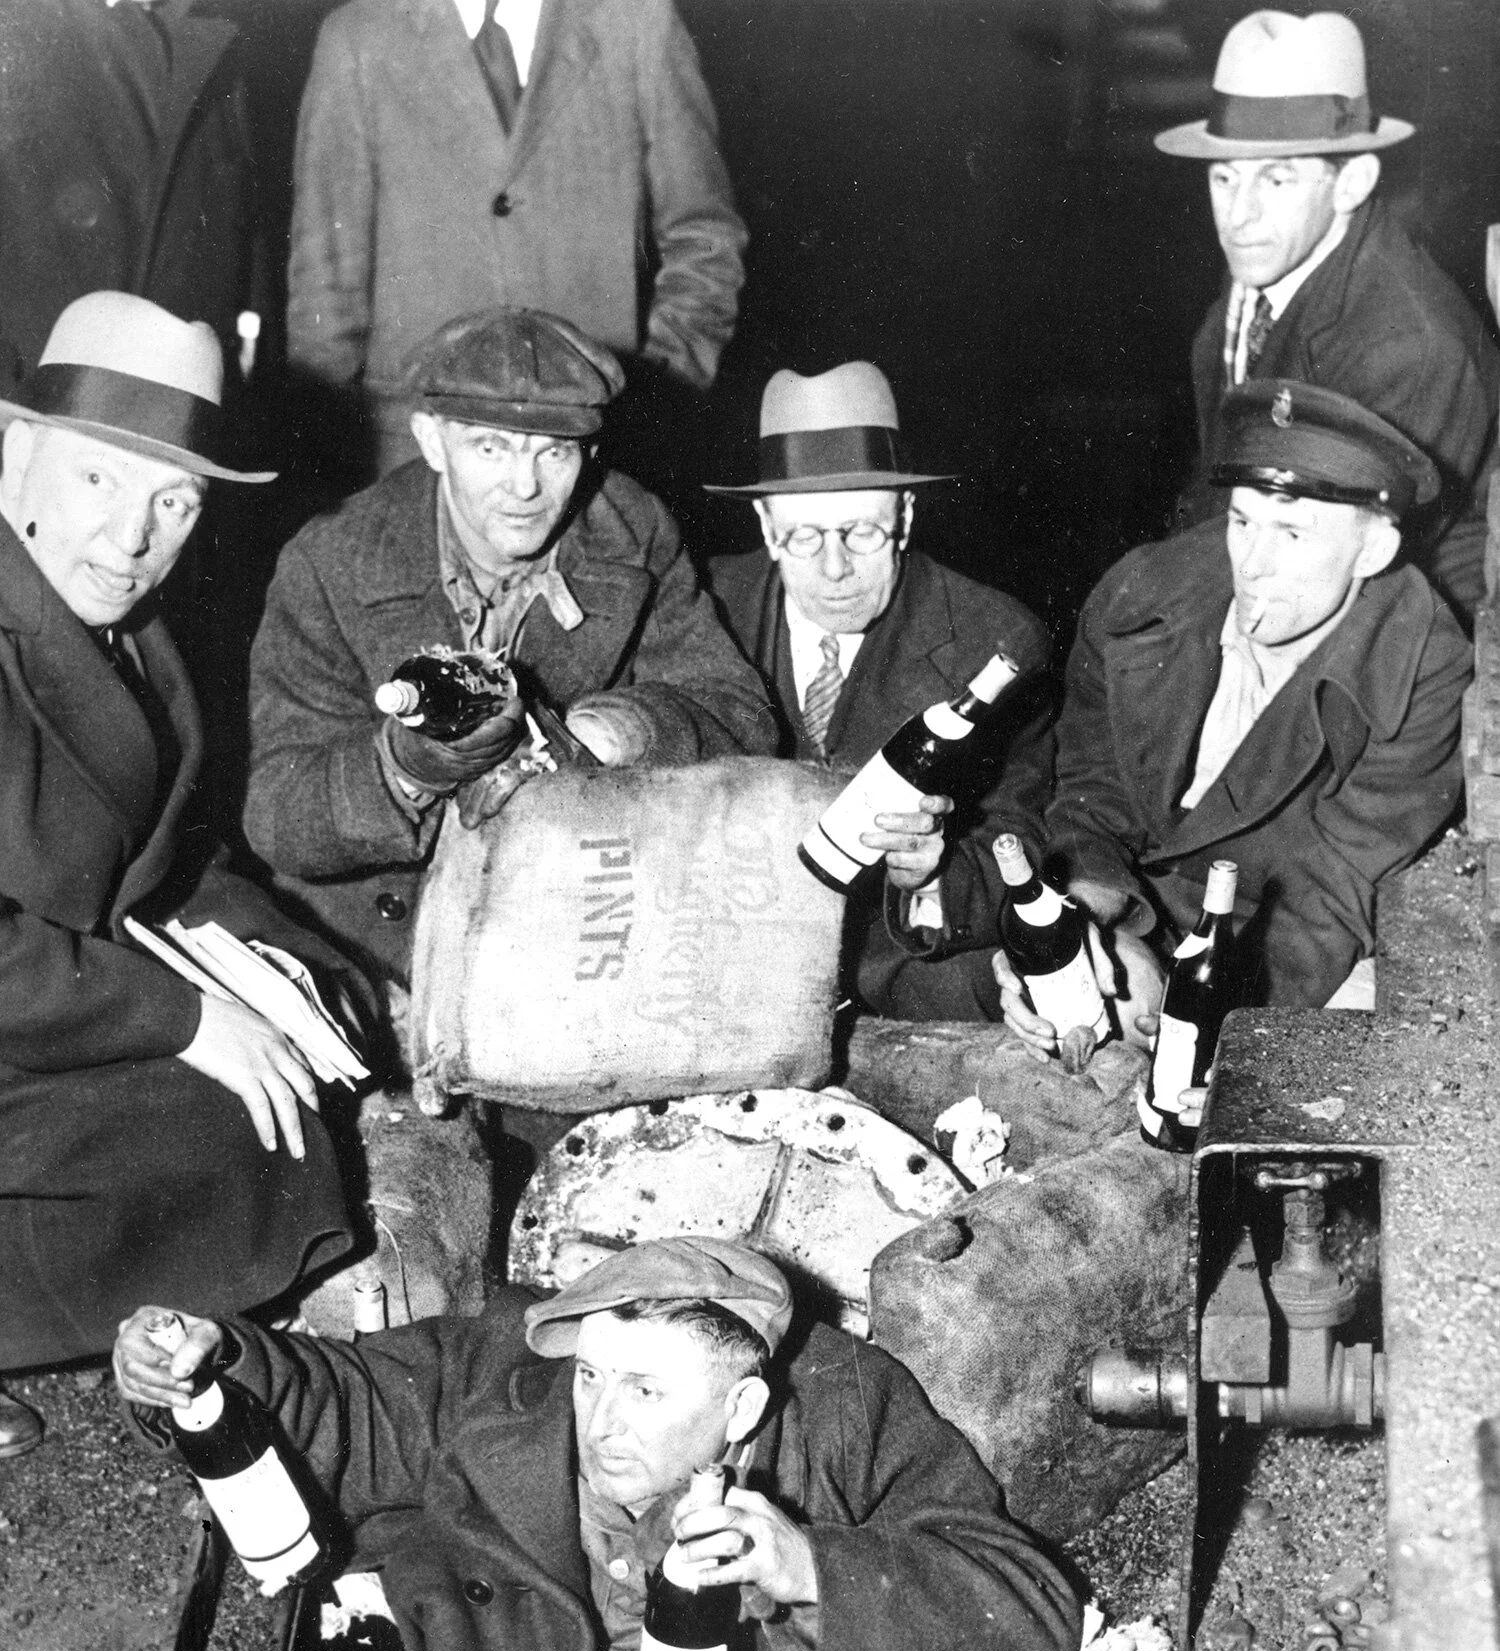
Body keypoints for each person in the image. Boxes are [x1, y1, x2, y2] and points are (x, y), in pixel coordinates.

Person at [114, 1235, 1083, 1651]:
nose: (602, 1422)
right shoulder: (512, 1368)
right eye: (591, 1377)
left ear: (741, 1407)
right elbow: (351, 1402)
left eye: (647, 1394)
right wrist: (207, 1362)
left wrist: (811, 1569)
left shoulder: (847, 1408)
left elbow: (1032, 1613)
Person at [0, 294, 358, 1458]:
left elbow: (167, 858)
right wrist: (189, 1017)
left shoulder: (132, 633)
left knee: (299, 1077)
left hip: (46, 1003)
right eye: (99, 481)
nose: (132, 535)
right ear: (16, 452)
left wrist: (293, 973)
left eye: (174, 500)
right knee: (232, 1120)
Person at [245, 306, 775, 1041]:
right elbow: (276, 815)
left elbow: (739, 713)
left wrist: (615, 729)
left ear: (589, 455)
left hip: (565, 945)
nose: (524, 486)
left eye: (553, 453)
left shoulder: (633, 532)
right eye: (490, 448)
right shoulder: (333, 561)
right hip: (374, 963)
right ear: (431, 441)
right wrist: (405, 769)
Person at [997, 379, 1472, 1071]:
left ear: (1372, 553)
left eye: (1292, 533)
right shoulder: (1140, 595)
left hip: (1269, 947)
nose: (1253, 564)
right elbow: (1092, 794)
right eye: (1242, 521)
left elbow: (1329, 900)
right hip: (1134, 910)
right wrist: (1084, 923)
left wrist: (1210, 1023)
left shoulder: (1424, 668)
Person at [704, 362, 1055, 1021]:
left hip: (896, 975)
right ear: (764, 525)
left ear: (906, 514)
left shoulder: (996, 644)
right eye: (804, 536)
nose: (835, 568)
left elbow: (1025, 830)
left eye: (862, 532)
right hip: (724, 959)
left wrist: (932, 875)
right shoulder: (705, 607)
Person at [286, 0, 748, 477]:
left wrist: (654, 399)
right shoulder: (357, 38)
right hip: (410, 457)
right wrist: (326, 469)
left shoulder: (637, 23)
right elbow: (325, 284)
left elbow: (706, 238)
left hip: (592, 453)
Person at [1157, 9, 1498, 627]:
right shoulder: (1263, 274)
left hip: (1402, 633)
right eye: (1224, 177)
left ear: (1352, 183)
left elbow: (1339, 567)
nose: (1240, 215)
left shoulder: (1408, 344)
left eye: (1278, 179)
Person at [0, 0, 260, 384]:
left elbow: (244, 268)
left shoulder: (215, 52)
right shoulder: (18, 36)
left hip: (163, 422)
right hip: (33, 420)